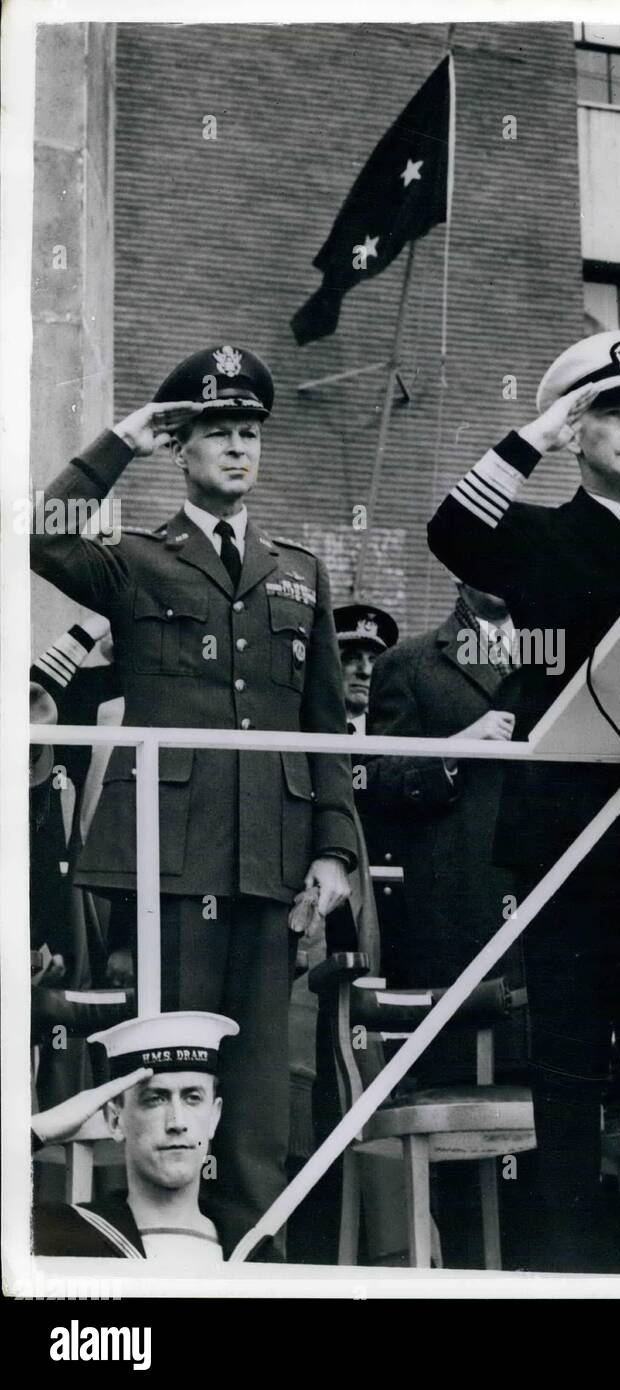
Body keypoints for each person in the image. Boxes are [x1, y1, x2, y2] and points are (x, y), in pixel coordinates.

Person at [30, 345, 357, 1248]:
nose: (238, 448)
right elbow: (42, 536)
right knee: (171, 1079)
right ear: (182, 446)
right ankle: (169, 1261)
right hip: (169, 858)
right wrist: (120, 441)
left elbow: (325, 727)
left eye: (250, 433)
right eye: (216, 432)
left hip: (271, 862)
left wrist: (334, 850)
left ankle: (257, 1261)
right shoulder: (136, 559)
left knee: (255, 1099)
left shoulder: (300, 571)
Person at [426, 330, 620, 1273]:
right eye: (612, 414)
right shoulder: (542, 536)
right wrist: (531, 435)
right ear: (578, 428)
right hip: (570, 835)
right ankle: (568, 1270)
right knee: (568, 1067)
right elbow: (451, 531)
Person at [364, 579, 533, 1268]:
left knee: (545, 1100)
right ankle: (466, 1272)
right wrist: (458, 747)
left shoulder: (560, 649)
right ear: (462, 571)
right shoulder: (407, 663)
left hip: (545, 898)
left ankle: (542, 1270)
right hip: (453, 916)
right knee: (464, 1106)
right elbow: (376, 780)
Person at [32, 1010, 277, 1263]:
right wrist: (38, 1129)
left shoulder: (255, 1256)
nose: (177, 1122)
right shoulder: (62, 1235)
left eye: (193, 1098)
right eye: (155, 1099)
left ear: (214, 1117)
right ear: (115, 1120)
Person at [332, 602, 400, 735]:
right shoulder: (303, 731)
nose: (366, 671)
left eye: (375, 662)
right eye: (353, 658)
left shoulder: (390, 737)